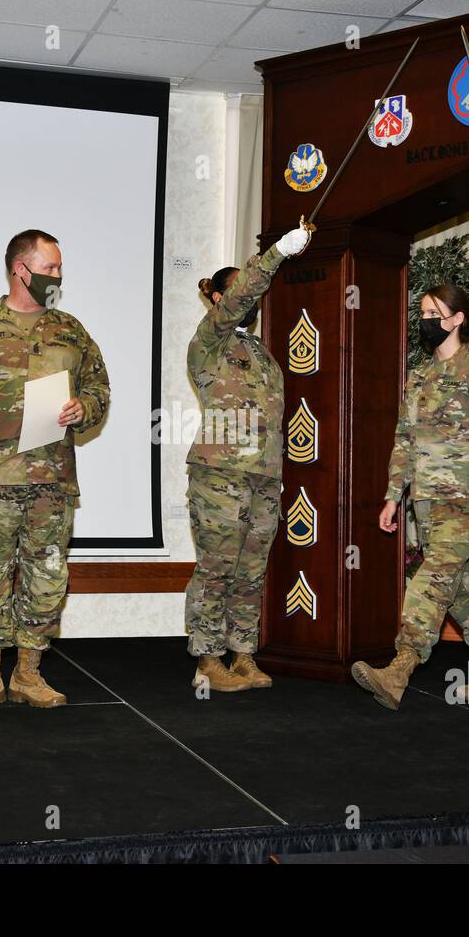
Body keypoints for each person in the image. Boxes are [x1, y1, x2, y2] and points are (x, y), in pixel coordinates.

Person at [0, 229, 110, 711]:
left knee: (47, 576)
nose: (58, 275)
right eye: (50, 267)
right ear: (21, 270)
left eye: (59, 267)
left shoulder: (71, 330)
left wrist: (84, 407)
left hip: (52, 481)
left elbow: (99, 389)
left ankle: (29, 673)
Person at [352, 284, 469, 710]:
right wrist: (393, 496)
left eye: (432, 312)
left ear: (457, 319)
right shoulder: (419, 376)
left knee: (431, 581)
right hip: (425, 502)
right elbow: (404, 439)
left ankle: (399, 670)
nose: (424, 320)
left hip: (465, 501)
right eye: (421, 312)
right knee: (459, 588)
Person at [184, 223, 310, 692]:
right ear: (218, 298)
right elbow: (242, 294)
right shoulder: (209, 342)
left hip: (262, 478)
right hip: (220, 477)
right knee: (216, 569)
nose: (249, 300)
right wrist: (277, 253)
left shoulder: (260, 353)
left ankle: (242, 655)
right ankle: (207, 660)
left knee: (250, 572)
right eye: (238, 291)